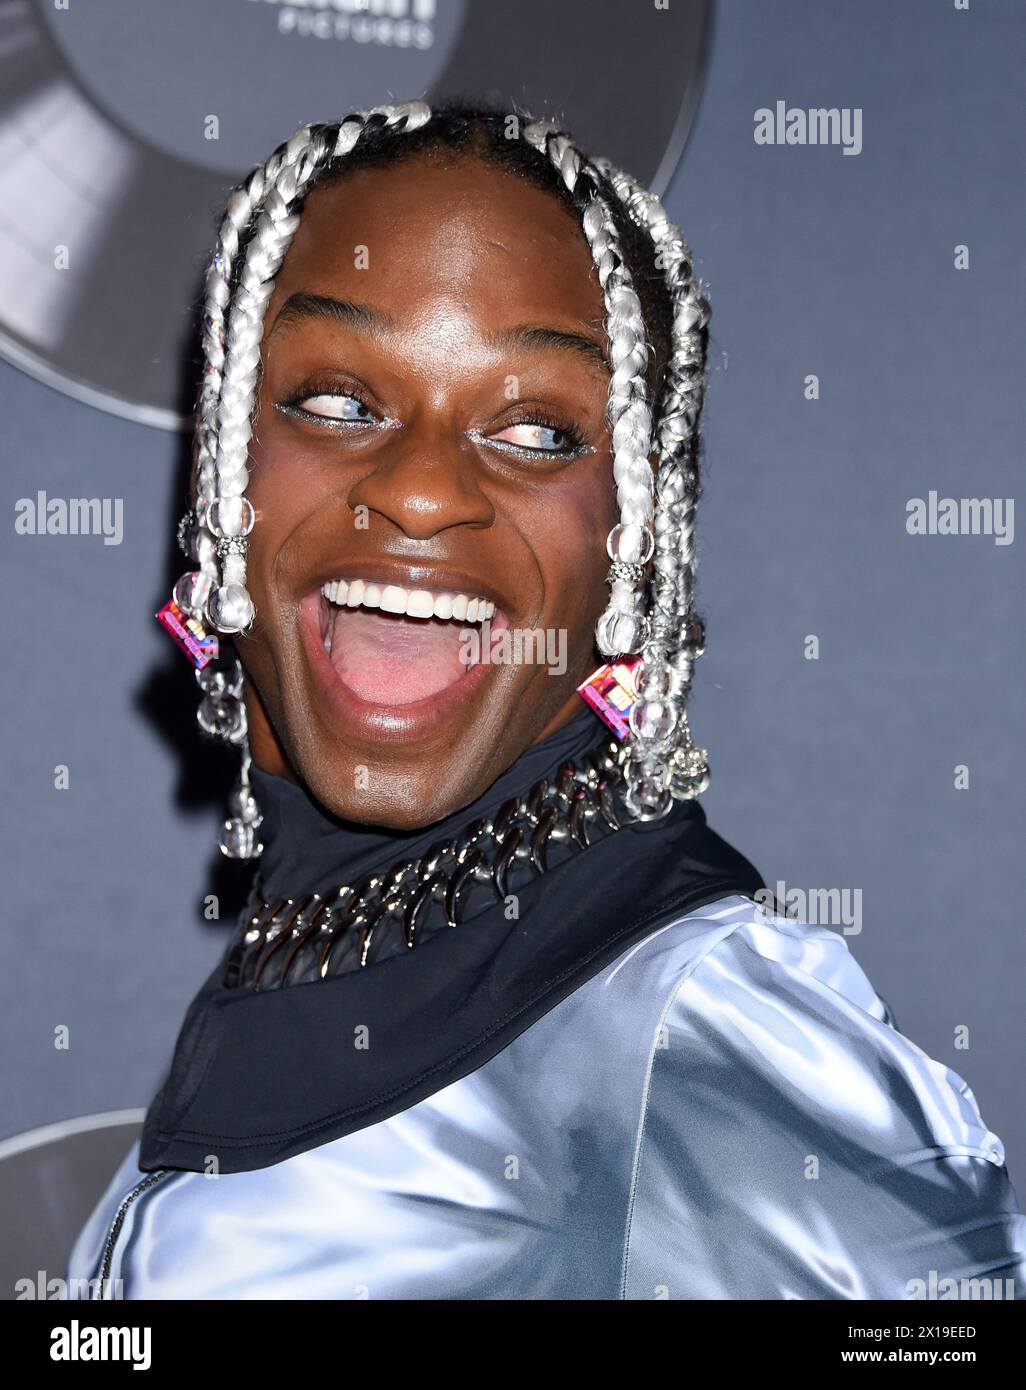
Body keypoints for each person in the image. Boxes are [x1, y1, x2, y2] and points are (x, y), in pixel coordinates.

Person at [68, 100, 1024, 1300]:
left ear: (635, 542)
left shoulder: (694, 1029)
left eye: (534, 428)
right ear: (224, 472)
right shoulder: (307, 960)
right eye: (337, 401)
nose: (418, 491)